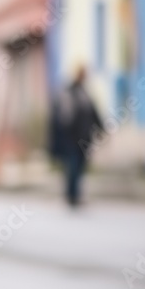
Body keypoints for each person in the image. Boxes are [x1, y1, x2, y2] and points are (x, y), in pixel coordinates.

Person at [50, 64, 105, 207]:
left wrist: (101, 129)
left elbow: (93, 113)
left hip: (84, 138)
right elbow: (63, 119)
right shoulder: (69, 92)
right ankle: (71, 196)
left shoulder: (84, 93)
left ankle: (75, 194)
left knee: (79, 167)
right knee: (72, 167)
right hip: (71, 139)